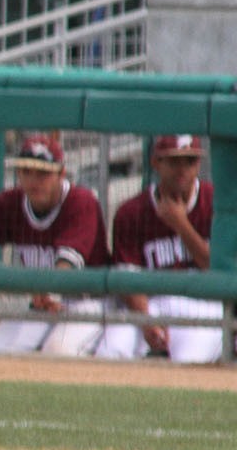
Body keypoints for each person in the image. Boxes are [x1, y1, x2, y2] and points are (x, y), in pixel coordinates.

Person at [0, 134, 111, 355]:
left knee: (59, 350)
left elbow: (67, 265)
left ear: (61, 173)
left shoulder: (81, 202)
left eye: (43, 173)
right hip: (41, 304)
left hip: (86, 303)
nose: (34, 181)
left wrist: (49, 291)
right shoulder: (10, 203)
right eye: (27, 172)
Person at [94, 135, 221, 362]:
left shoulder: (217, 205)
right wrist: (146, 320)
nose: (182, 169)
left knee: (188, 361)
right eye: (173, 162)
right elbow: (128, 278)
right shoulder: (131, 212)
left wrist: (181, 225)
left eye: (189, 161)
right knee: (108, 353)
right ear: (155, 163)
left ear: (199, 164)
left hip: (203, 303)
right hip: (149, 302)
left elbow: (220, 273)